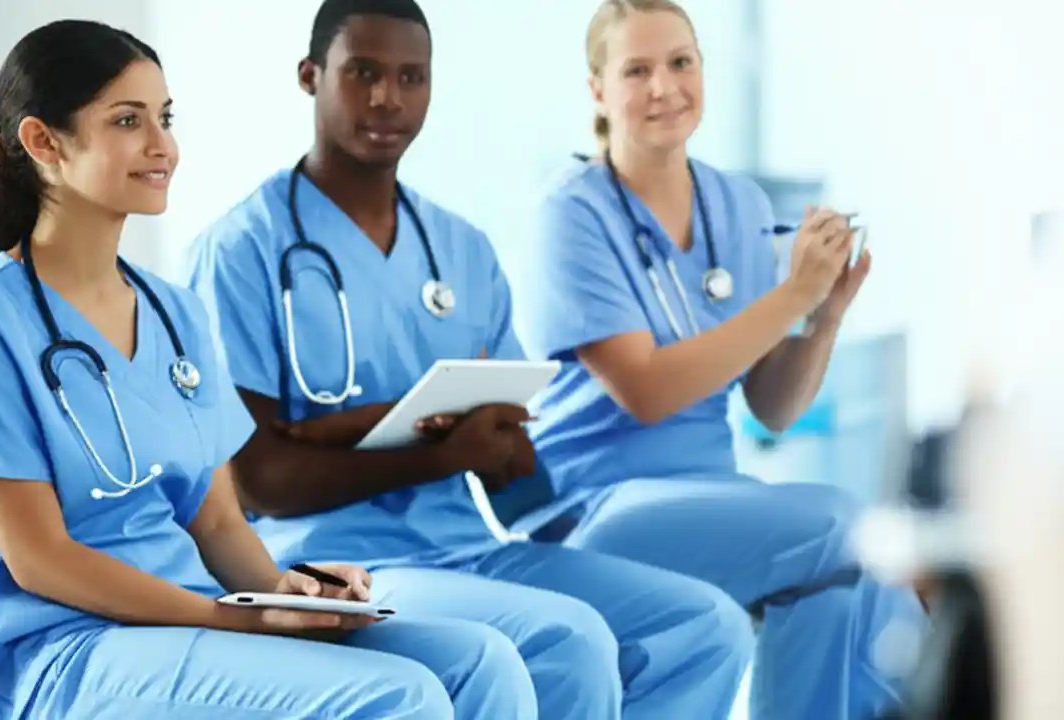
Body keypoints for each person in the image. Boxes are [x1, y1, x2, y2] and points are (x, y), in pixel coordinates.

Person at [0, 20, 540, 719]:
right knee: (401, 697)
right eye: (128, 120)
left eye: (165, 117)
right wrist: (230, 617)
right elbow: (42, 560)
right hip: (70, 650)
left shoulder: (176, 312)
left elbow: (216, 525)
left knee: (484, 666)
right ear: (43, 142)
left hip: (196, 620)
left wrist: (285, 587)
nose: (163, 147)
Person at [184, 1, 752, 717]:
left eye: (410, 77)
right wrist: (446, 451)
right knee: (568, 639)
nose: (388, 97)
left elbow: (513, 467)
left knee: (704, 625)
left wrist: (524, 470)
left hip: (469, 546)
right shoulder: (242, 249)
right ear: (311, 77)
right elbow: (260, 482)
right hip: (337, 563)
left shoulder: (462, 250)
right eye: (363, 73)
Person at [510, 2, 927, 719]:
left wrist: (823, 316)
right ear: (598, 91)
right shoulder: (571, 215)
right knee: (848, 528)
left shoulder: (737, 204)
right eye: (636, 70)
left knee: (835, 597)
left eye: (681, 62)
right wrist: (793, 289)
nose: (664, 87)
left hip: (712, 495)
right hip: (594, 511)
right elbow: (646, 390)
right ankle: (963, 694)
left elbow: (772, 405)